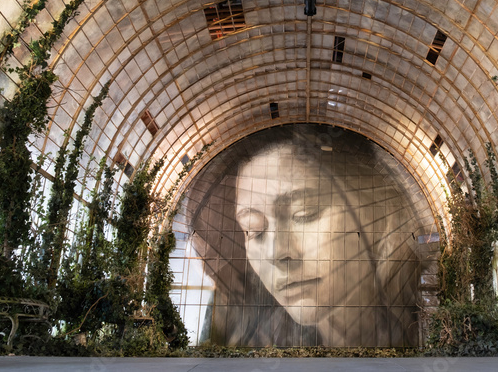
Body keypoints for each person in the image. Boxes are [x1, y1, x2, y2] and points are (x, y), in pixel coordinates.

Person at [183, 124, 427, 347]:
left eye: (304, 213)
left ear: (377, 214)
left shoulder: (426, 326)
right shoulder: (255, 341)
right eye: (253, 230)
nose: (277, 253)